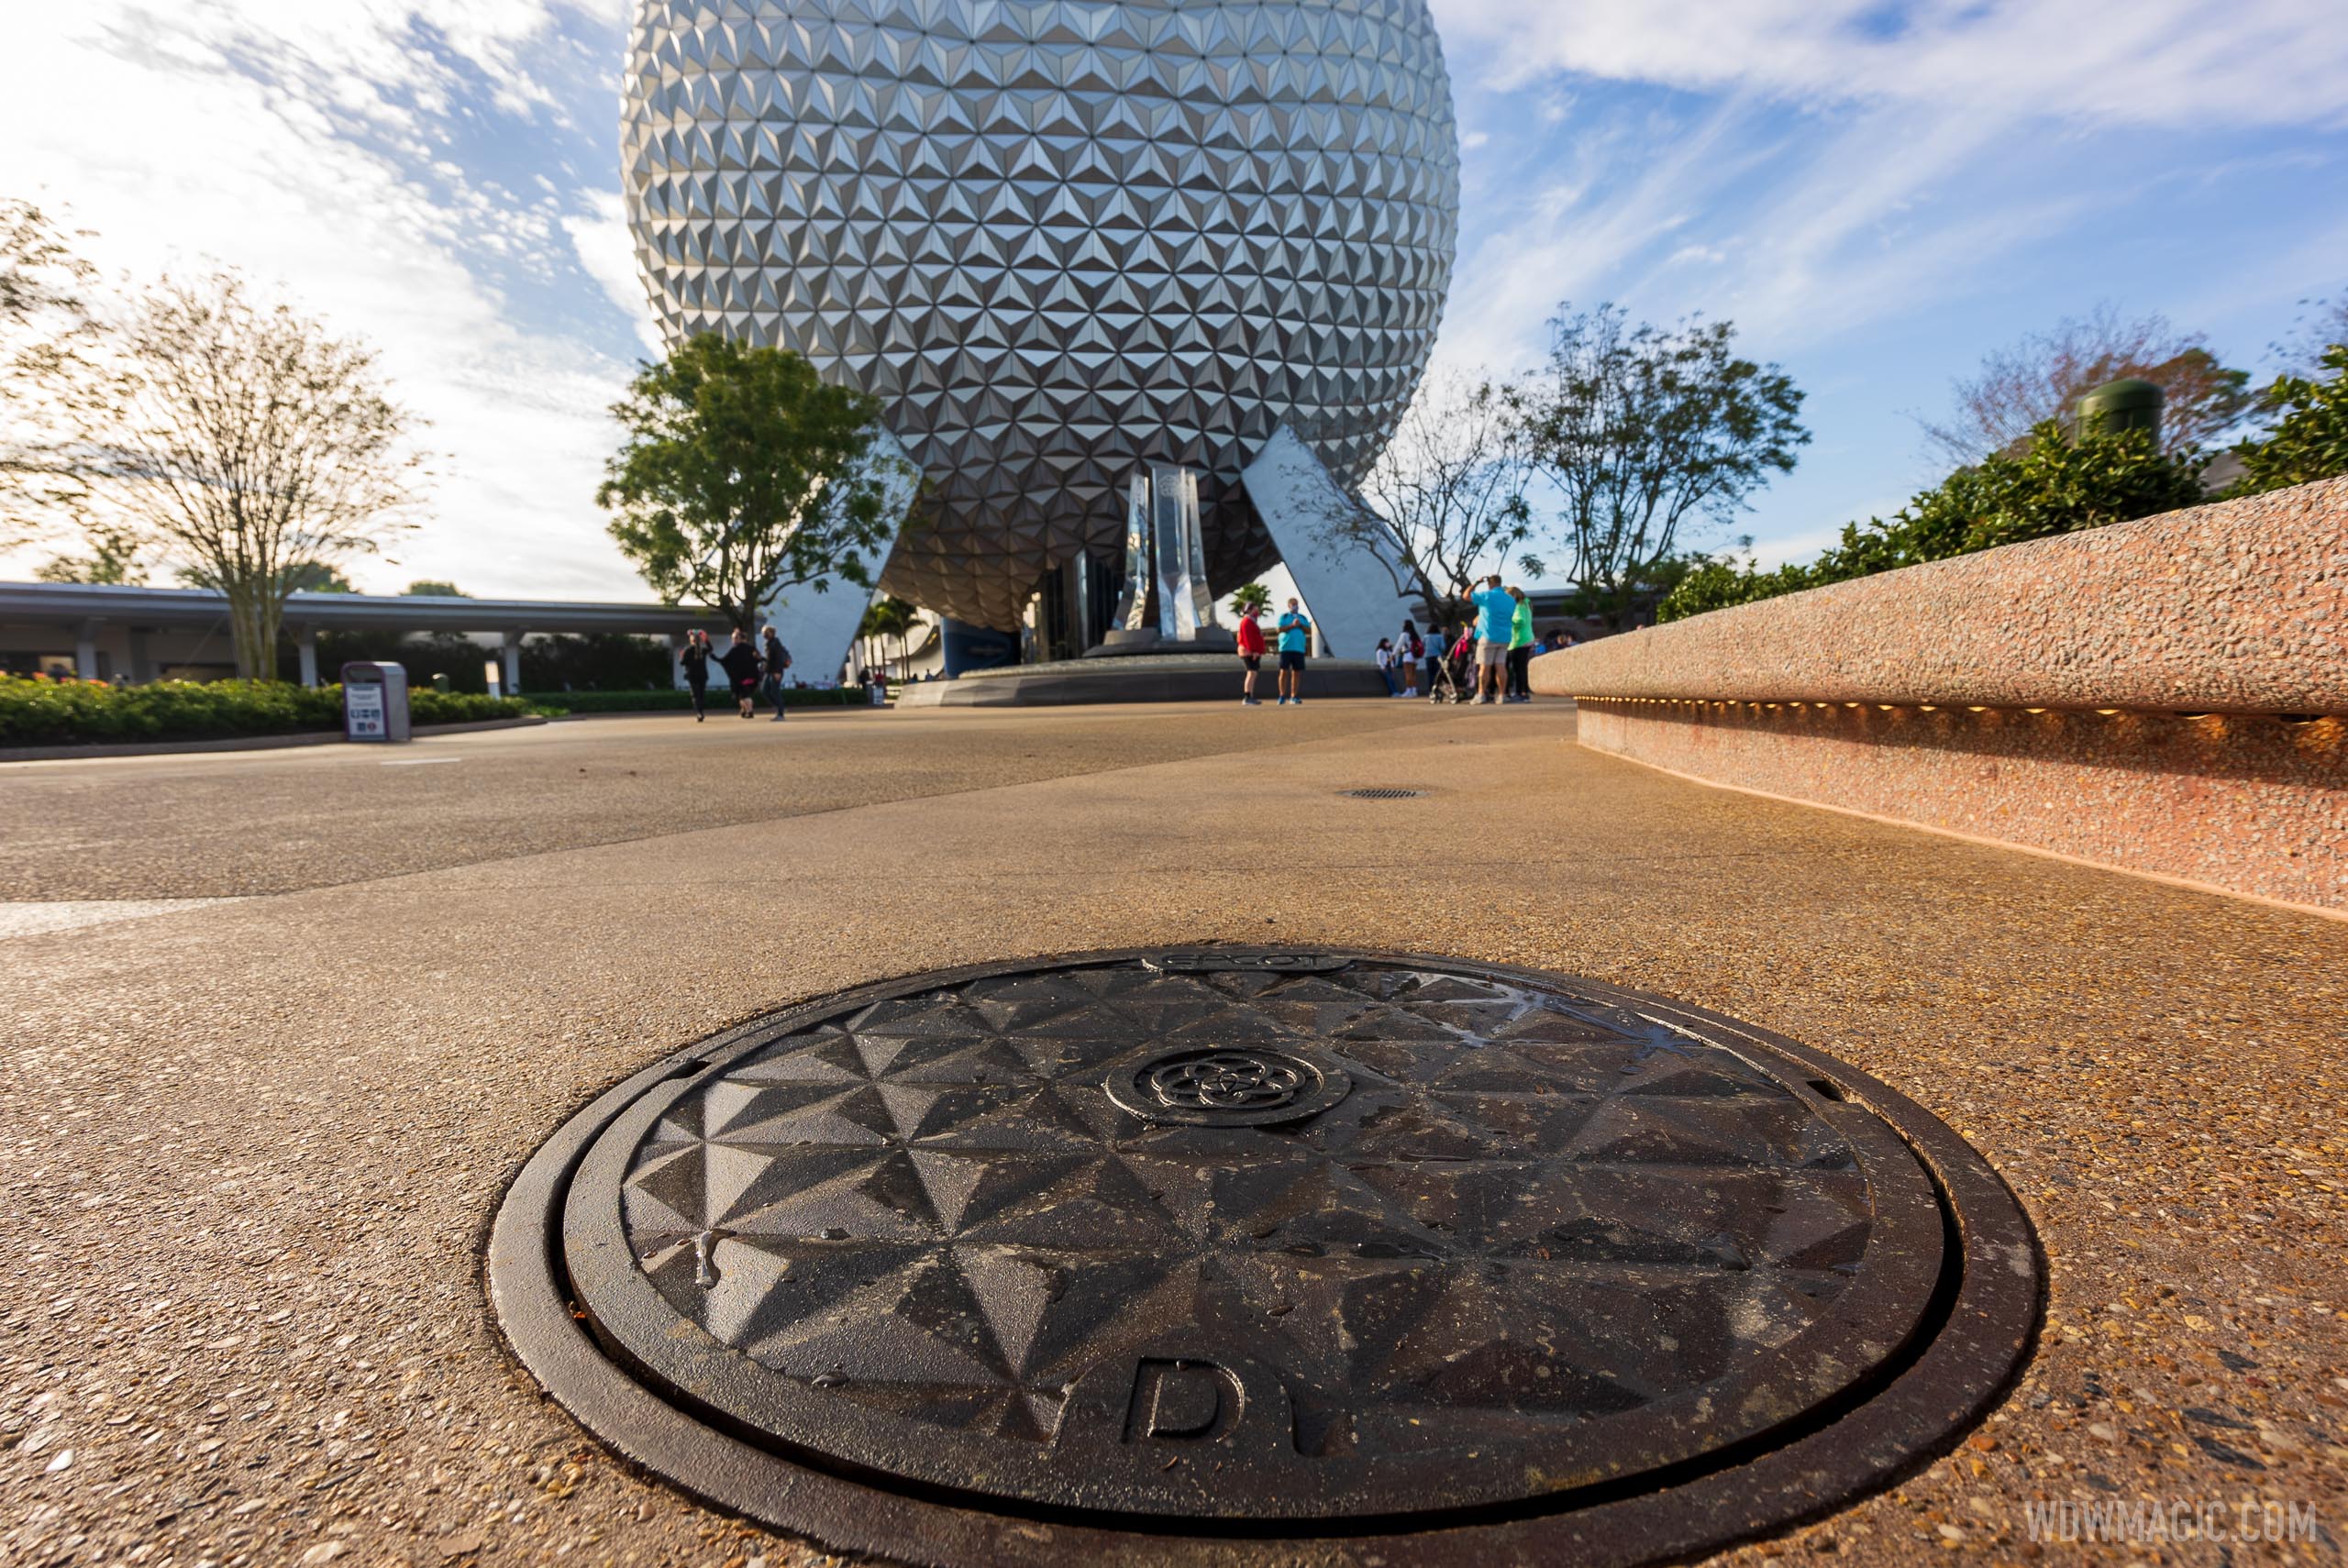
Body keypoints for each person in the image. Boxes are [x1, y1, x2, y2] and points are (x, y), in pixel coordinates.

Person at [1467, 573, 1514, 704]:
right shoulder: (1510, 599)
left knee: (1484, 667)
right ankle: (1502, 695)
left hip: (1488, 635)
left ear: (1490, 584)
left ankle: (1481, 694)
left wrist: (1476, 582)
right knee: (1501, 666)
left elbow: (1466, 596)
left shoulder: (1486, 596)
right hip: (1504, 637)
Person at [716, 628, 762, 718]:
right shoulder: (752, 648)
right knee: (743, 694)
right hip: (753, 676)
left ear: (740, 639)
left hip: (742, 677)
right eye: (733, 638)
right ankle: (744, 710)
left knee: (744, 694)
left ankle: (750, 711)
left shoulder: (735, 649)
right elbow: (759, 658)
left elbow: (724, 660)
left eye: (734, 638)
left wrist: (712, 656)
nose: (733, 640)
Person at [1275, 597, 1312, 705]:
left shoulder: (1303, 617)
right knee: (1284, 671)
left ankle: (1294, 696)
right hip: (1286, 648)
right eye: (1293, 604)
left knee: (1297, 673)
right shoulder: (1284, 616)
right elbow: (1279, 629)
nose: (1295, 606)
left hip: (1299, 648)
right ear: (1289, 606)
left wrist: (1300, 625)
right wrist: (1292, 625)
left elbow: (1309, 630)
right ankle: (1282, 695)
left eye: (1296, 604)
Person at [1506, 586, 1535, 703]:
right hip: (1526, 639)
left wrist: (1508, 620)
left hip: (1519, 640)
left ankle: (1520, 693)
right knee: (1522, 668)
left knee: (1518, 669)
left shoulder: (1519, 606)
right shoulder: (1526, 605)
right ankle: (1524, 693)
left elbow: (1519, 621)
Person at [1235, 602, 1268, 705]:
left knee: (1252, 673)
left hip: (1251, 651)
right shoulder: (1247, 621)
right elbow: (1248, 638)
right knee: (1251, 673)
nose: (1256, 610)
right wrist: (1254, 651)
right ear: (1249, 610)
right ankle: (1247, 697)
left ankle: (1250, 696)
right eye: (1254, 609)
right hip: (1249, 652)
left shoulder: (1250, 621)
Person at [677, 629, 714, 722]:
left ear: (691, 640)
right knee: (701, 695)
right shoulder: (703, 650)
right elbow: (711, 649)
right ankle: (701, 711)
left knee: (695, 695)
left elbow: (682, 663)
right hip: (703, 675)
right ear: (699, 640)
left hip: (692, 675)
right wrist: (706, 639)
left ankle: (699, 713)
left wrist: (681, 656)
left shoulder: (687, 650)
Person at [759, 624, 792, 722]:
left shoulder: (776, 644)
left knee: (775, 692)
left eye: (766, 632)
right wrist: (760, 658)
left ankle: (780, 714)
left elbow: (777, 659)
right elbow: (769, 659)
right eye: (763, 633)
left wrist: (777, 672)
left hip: (776, 671)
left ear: (772, 633)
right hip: (769, 671)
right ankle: (779, 707)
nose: (764, 634)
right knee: (764, 690)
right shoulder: (768, 643)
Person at [1397, 620, 1423, 697]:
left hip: (1408, 655)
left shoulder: (1404, 634)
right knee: (1413, 674)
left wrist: (1393, 655)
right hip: (1415, 656)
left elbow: (1399, 645)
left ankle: (1408, 691)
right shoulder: (1415, 634)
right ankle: (1414, 691)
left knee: (1408, 674)